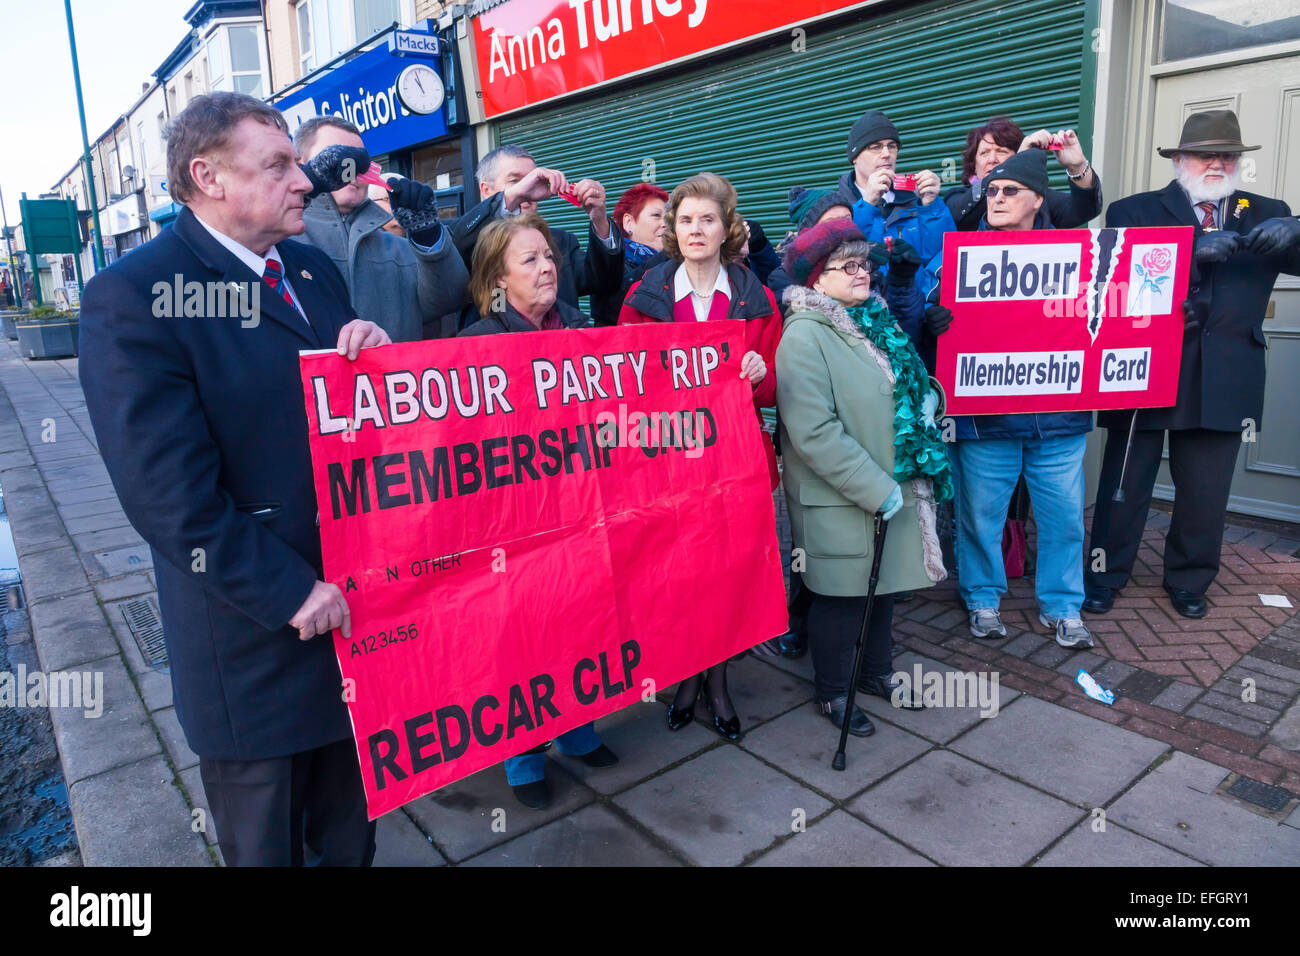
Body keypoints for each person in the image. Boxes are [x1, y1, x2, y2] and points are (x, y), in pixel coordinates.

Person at [78, 92, 391, 866]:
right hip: (253, 646)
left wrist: (377, 359)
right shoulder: (136, 296)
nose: (305, 182)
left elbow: (351, 424)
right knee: (269, 851)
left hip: (355, 623)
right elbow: (168, 500)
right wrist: (288, 591)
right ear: (207, 176)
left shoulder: (313, 269)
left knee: (351, 839)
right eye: (279, 165)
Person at [1085, 110, 1300, 619]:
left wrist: (1298, 228)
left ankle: (1189, 579)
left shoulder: (1268, 210)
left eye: (1227, 154)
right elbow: (1118, 289)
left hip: (1226, 369)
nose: (1217, 163)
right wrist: (1190, 253)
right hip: (1145, 363)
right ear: (1180, 159)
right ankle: (1104, 573)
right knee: (1124, 479)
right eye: (1206, 154)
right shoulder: (1132, 210)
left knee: (1205, 488)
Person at [456, 215, 620, 807]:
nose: (547, 267)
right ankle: (521, 755)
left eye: (548, 256)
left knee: (578, 622)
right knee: (521, 634)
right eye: (529, 260)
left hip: (579, 510)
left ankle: (577, 731)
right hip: (511, 522)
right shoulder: (475, 344)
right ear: (497, 279)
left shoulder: (581, 329)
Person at [619, 172, 782, 741]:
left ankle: (717, 682)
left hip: (735, 461)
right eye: (685, 219)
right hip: (668, 462)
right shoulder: (644, 297)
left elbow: (773, 385)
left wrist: (762, 377)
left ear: (725, 227)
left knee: (728, 575)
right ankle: (687, 676)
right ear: (672, 229)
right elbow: (626, 383)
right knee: (681, 578)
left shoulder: (755, 299)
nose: (695, 229)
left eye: (706, 219)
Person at [776, 220, 951, 733]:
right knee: (842, 596)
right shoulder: (805, 335)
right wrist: (876, 490)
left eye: (864, 263)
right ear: (816, 280)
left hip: (889, 485)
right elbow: (814, 432)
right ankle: (832, 693)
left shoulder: (874, 320)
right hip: (844, 494)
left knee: (884, 589)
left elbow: (905, 384)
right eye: (847, 265)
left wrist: (929, 404)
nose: (862, 272)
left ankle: (876, 672)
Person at [937, 149, 1095, 649]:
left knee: (1064, 518)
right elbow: (922, 310)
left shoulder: (1078, 256)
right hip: (986, 421)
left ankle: (1064, 606)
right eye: (992, 190)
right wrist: (930, 318)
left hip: (1060, 419)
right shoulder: (960, 255)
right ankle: (982, 598)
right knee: (980, 517)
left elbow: (1110, 309)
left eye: (1010, 191)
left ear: (1038, 202)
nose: (996, 197)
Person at [294, 116, 469, 342]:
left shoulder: (400, 250)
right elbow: (243, 314)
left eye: (359, 159)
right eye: (335, 156)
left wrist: (429, 237)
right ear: (302, 165)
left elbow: (450, 300)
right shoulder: (275, 242)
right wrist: (303, 189)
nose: (350, 168)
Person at [450, 144, 624, 326]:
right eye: (515, 181)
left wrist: (600, 219)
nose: (529, 190)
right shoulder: (470, 242)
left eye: (535, 181)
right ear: (486, 190)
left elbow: (606, 279)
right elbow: (453, 244)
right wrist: (513, 196)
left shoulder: (562, 242)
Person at [837, 109, 955, 306]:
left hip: (914, 313)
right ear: (855, 157)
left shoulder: (915, 199)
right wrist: (867, 204)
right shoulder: (836, 206)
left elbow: (942, 258)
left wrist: (931, 205)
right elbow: (841, 261)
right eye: (875, 147)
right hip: (864, 318)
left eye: (892, 146)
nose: (886, 154)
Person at [944, 116, 1102, 231]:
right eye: (984, 153)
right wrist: (1012, 167)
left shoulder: (1036, 196)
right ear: (974, 163)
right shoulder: (956, 197)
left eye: (1001, 151)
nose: (992, 159)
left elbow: (1084, 209)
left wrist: (1078, 167)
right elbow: (955, 217)